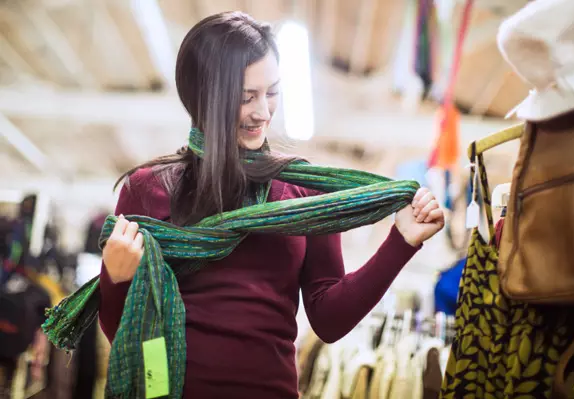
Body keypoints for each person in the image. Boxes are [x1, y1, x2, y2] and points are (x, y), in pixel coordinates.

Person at [98, 11, 445, 399]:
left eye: (273, 92)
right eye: (247, 97)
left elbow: (328, 319)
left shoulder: (302, 191)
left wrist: (401, 242)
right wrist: (114, 277)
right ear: (205, 96)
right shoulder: (148, 189)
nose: (263, 112)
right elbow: (122, 330)